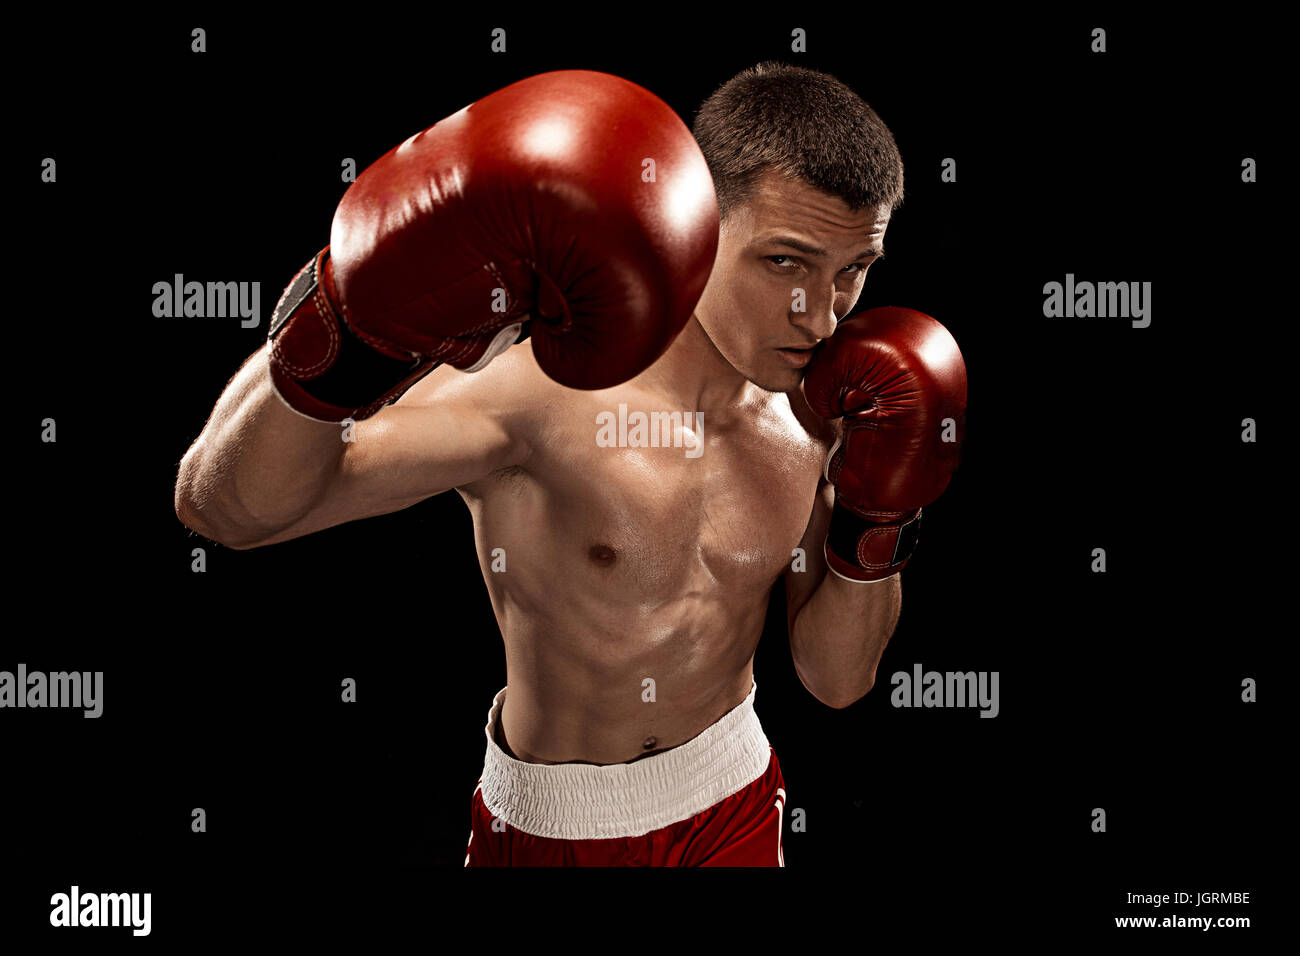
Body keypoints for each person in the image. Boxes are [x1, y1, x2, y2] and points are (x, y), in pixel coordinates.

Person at [174, 63, 966, 866]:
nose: (822, 314)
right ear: (700, 220)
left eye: (852, 270)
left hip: (735, 802)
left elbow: (837, 679)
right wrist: (345, 321)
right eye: (786, 263)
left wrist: (883, 516)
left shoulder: (824, 412)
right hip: (555, 832)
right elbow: (223, 509)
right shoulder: (539, 396)